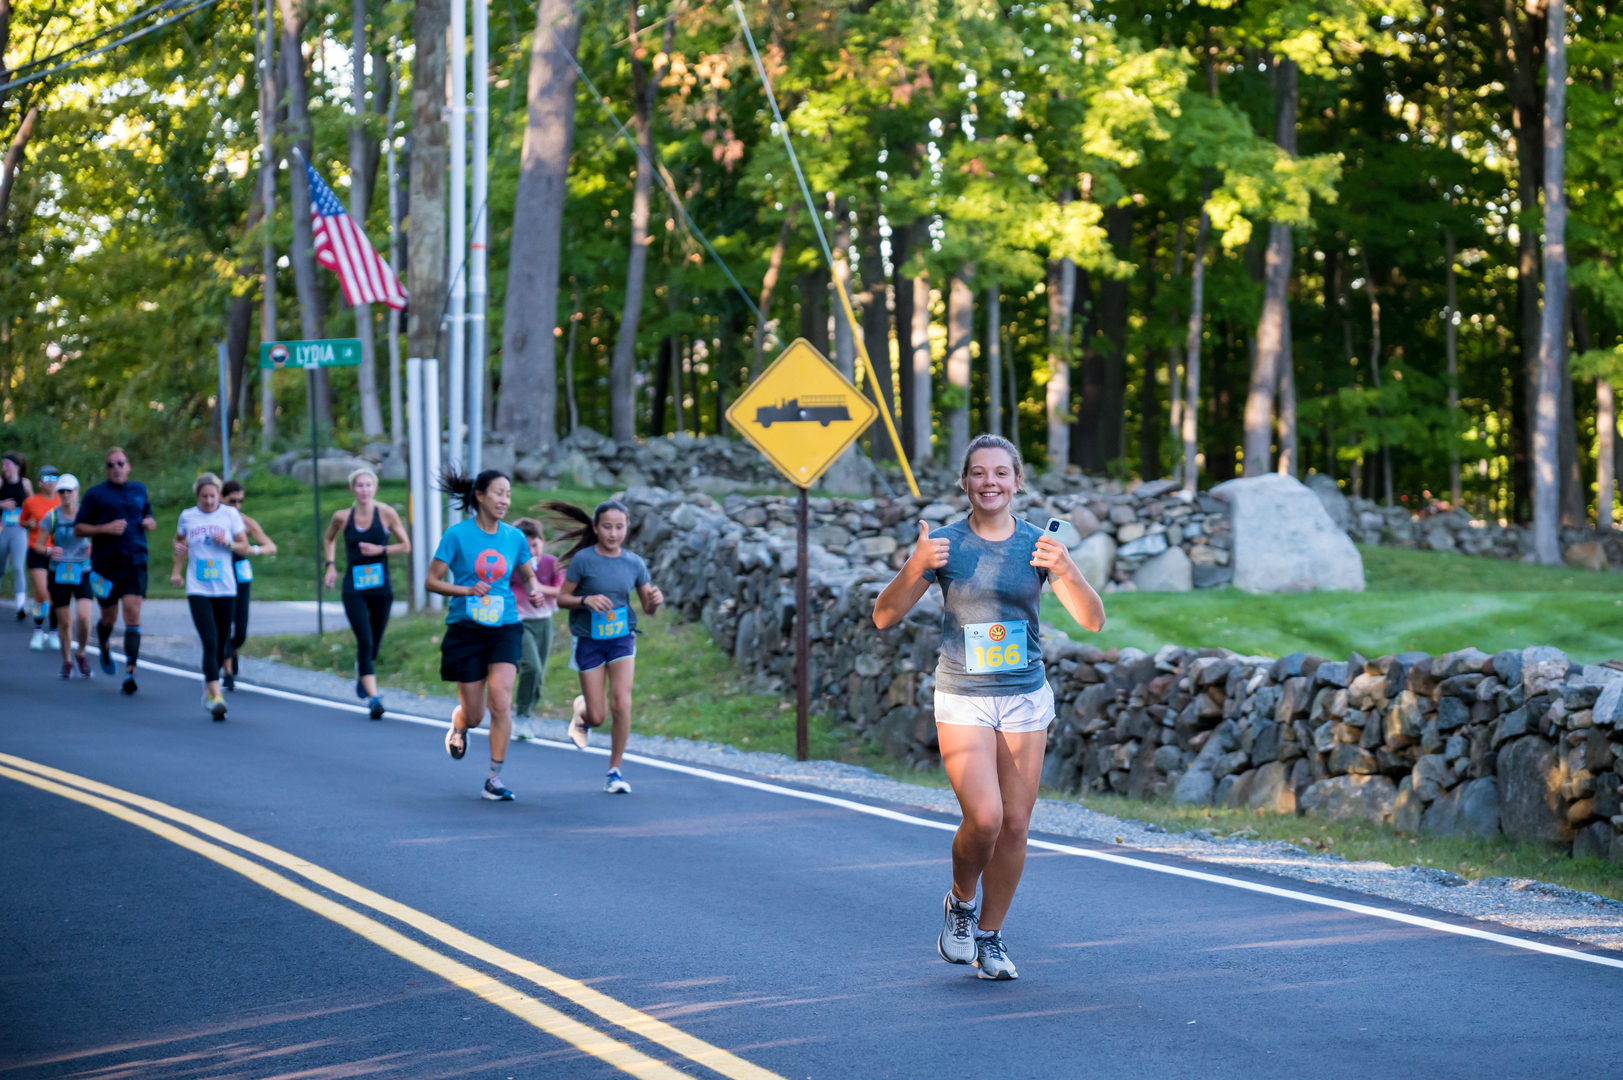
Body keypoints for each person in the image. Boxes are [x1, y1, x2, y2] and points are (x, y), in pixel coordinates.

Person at [873, 434, 1105, 982]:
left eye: (1001, 473)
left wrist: (1067, 569)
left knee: (1017, 826)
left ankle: (990, 938)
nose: (990, 482)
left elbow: (1093, 621)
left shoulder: (1040, 545)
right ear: (965, 482)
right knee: (986, 817)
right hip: (963, 695)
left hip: (1025, 695)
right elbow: (883, 616)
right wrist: (915, 566)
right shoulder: (945, 545)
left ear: (1016, 481)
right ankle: (960, 902)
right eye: (979, 473)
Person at [426, 467, 544, 801]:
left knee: (501, 700)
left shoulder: (514, 537)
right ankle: (460, 724)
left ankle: (494, 778)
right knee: (476, 714)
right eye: (499, 493)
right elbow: (431, 581)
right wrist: (465, 591)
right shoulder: (456, 535)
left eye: (508, 494)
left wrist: (534, 590)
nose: (505, 500)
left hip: (505, 626)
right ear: (480, 495)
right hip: (466, 629)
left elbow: (527, 574)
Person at [545, 499, 664, 795]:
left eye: (619, 527)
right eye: (607, 527)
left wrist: (655, 601)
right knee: (598, 716)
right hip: (589, 639)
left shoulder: (635, 563)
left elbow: (648, 608)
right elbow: (562, 599)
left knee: (621, 703)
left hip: (622, 637)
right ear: (596, 528)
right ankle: (583, 712)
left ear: (627, 529)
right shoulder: (584, 560)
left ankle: (615, 770)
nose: (613, 533)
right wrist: (586, 600)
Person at [322, 467, 410, 720]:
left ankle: (364, 673)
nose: (364, 490)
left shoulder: (386, 513)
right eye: (359, 485)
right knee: (365, 640)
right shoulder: (342, 517)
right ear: (353, 489)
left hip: (382, 589)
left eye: (368, 485)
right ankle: (374, 698)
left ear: (375, 488)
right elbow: (329, 540)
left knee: (375, 643)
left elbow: (405, 545)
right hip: (354, 589)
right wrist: (330, 566)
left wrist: (380, 549)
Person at [77, 446, 157, 694]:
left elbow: (148, 514)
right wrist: (104, 529)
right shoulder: (95, 495)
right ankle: (102, 641)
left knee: (132, 616)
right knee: (109, 618)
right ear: (105, 469)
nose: (116, 468)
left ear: (128, 466)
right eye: (111, 465)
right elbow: (79, 528)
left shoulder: (139, 489)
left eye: (120, 463)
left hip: (135, 563)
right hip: (105, 567)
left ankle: (130, 672)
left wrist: (150, 522)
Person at [169, 473, 249, 720]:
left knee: (223, 642)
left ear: (218, 495)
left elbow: (244, 545)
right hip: (198, 588)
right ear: (197, 496)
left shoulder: (229, 515)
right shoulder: (188, 516)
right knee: (210, 640)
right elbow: (179, 542)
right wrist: (176, 568)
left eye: (212, 496)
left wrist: (228, 542)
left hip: (225, 587)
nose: (208, 501)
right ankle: (216, 697)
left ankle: (210, 686)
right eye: (203, 496)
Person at [217, 479, 277, 691]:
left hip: (241, 575)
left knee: (240, 631)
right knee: (223, 624)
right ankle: (227, 672)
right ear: (221, 498)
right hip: (218, 576)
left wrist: (253, 550)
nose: (237, 506)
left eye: (240, 501)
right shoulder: (213, 521)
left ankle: (231, 650)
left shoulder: (245, 523)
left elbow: (270, 546)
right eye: (232, 501)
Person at [510, 518, 562, 720]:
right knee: (531, 666)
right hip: (519, 622)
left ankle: (528, 710)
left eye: (534, 545)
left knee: (539, 674)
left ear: (543, 541)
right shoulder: (511, 565)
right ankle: (521, 713)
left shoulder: (552, 563)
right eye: (525, 546)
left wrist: (538, 588)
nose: (531, 551)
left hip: (545, 622)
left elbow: (561, 590)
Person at [43, 474, 94, 678]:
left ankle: (81, 652)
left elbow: (100, 535)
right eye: (62, 491)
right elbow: (39, 544)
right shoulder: (52, 516)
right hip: (59, 572)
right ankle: (66, 660)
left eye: (69, 491)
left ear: (76, 492)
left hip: (83, 570)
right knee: (65, 622)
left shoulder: (87, 514)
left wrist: (94, 547)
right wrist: (49, 551)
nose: (65, 495)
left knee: (83, 617)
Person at [19, 465, 61, 651]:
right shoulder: (31, 502)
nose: (51, 481)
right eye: (47, 477)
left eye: (55, 477)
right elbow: (22, 521)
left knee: (54, 597)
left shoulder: (64, 500)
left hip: (58, 554)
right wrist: (28, 524)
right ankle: (37, 631)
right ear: (39, 482)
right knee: (42, 593)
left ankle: (53, 632)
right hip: (37, 551)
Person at [0, 450, 32, 621]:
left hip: (19, 530)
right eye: (3, 465)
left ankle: (21, 606)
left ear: (16, 466)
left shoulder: (25, 484)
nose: (4, 468)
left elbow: (32, 504)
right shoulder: (0, 482)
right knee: (1, 568)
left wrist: (31, 520)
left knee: (19, 567)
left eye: (6, 464)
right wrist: (2, 504)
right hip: (2, 529)